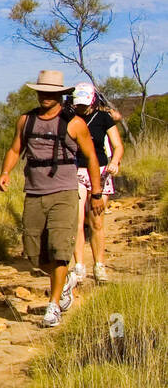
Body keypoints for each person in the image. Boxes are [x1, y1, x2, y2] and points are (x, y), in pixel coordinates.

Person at [0, 71, 104, 328]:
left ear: (60, 94)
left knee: (59, 250)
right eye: (41, 91)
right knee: (33, 254)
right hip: (34, 192)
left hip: (64, 193)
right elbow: (15, 149)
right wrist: (5, 172)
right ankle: (65, 280)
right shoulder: (26, 120)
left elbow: (91, 158)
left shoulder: (74, 123)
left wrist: (97, 193)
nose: (45, 96)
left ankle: (53, 305)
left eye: (51, 92)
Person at [70, 82, 122, 283]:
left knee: (96, 221)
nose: (81, 107)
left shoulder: (103, 118)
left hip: (99, 172)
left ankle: (99, 265)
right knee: (76, 219)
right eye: (78, 104)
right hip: (76, 171)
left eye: (84, 103)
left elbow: (117, 145)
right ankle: (79, 265)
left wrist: (115, 162)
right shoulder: (71, 119)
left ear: (92, 100)